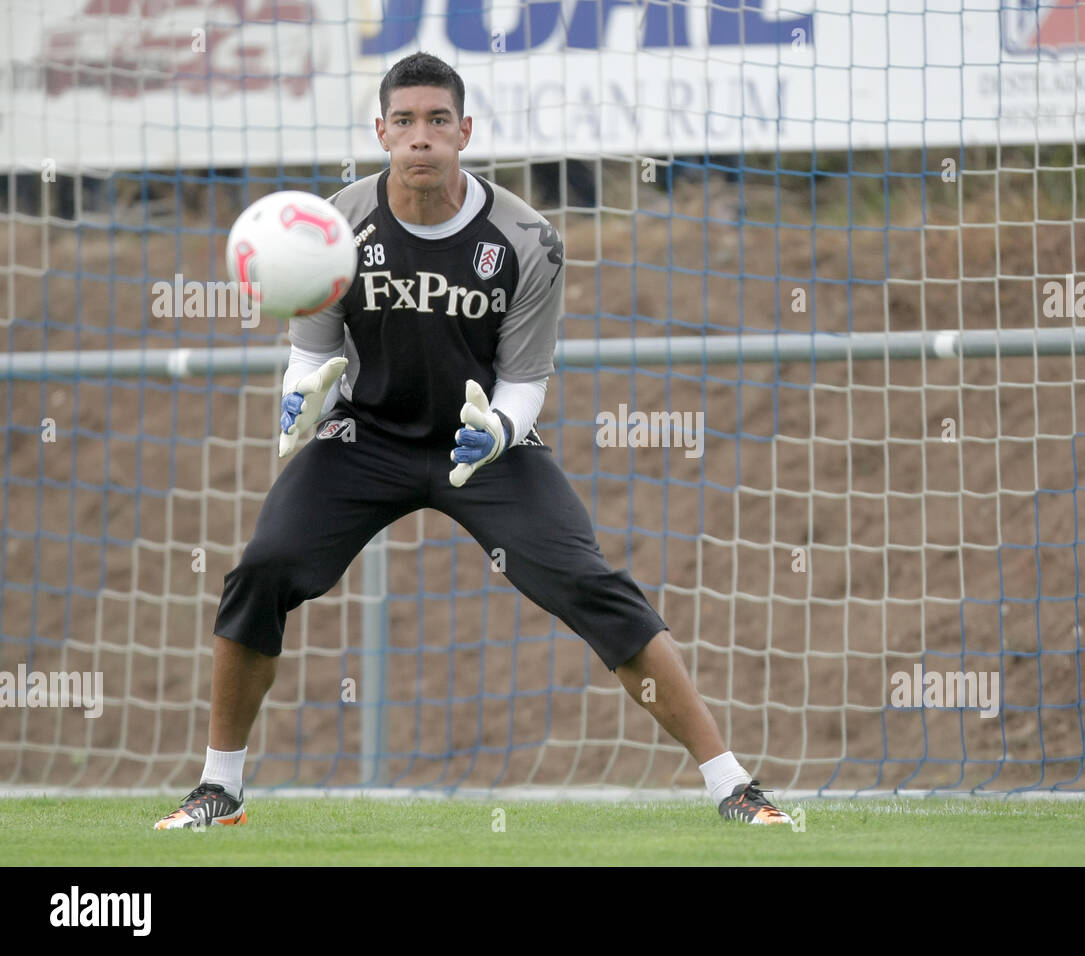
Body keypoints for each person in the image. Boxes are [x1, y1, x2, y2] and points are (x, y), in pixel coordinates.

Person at [155, 52, 790, 829]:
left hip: (482, 445)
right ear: (381, 131)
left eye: (437, 121)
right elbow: (313, 352)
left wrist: (498, 431)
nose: (421, 137)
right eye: (406, 122)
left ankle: (732, 785)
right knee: (262, 569)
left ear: (465, 131)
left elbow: (525, 380)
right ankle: (219, 790)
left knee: (593, 586)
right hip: (367, 434)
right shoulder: (331, 225)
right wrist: (302, 397)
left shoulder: (529, 239)